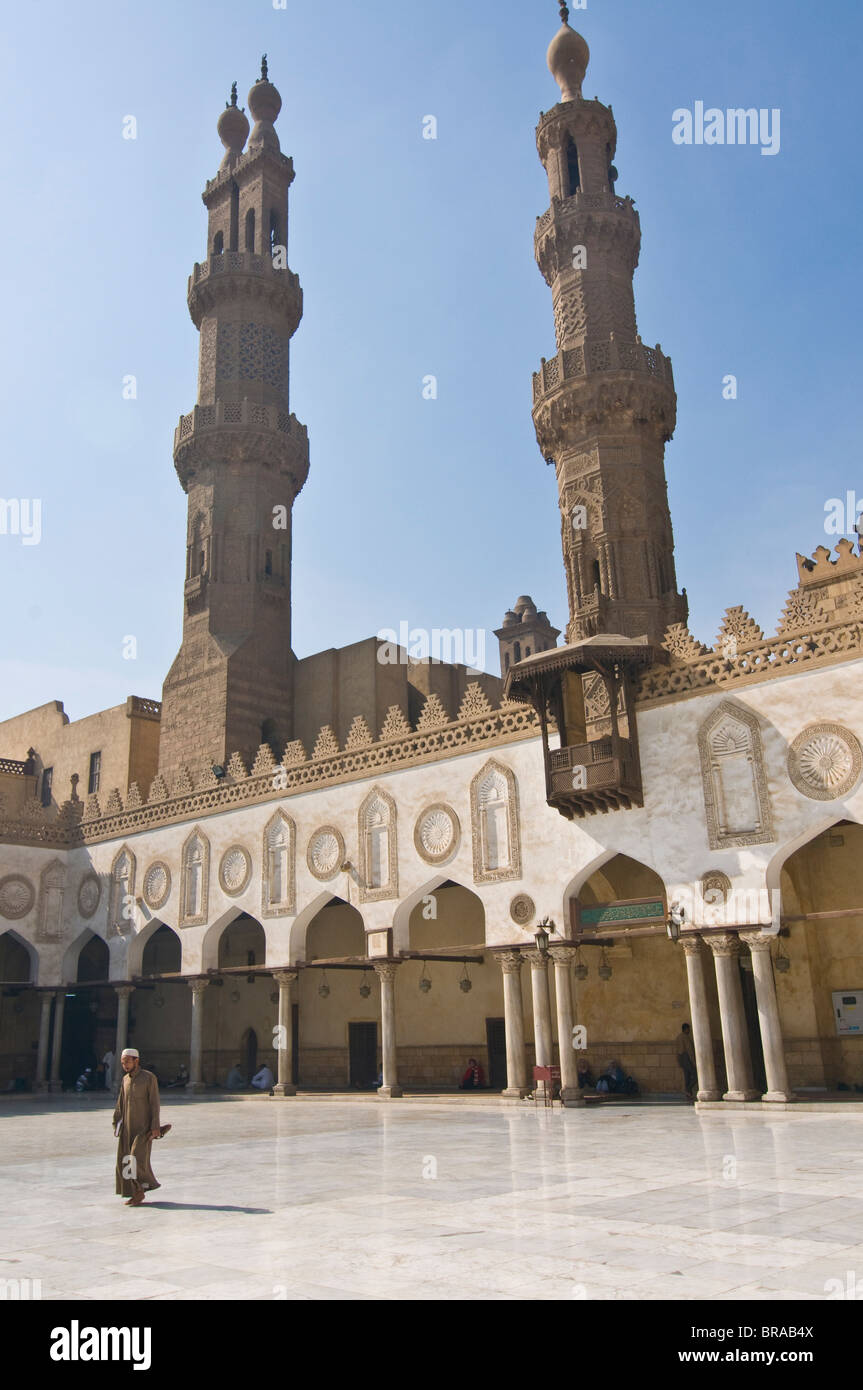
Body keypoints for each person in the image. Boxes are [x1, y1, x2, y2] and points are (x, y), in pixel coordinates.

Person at [111, 1048, 168, 1207]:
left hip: (143, 1128)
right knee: (125, 1161)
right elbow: (120, 1105)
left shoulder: (149, 1078)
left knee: (136, 1158)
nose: (125, 1065)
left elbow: (154, 1104)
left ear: (136, 1060)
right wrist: (116, 1123)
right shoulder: (125, 1080)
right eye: (122, 1063)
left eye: (127, 1062)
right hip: (127, 1129)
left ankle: (143, 1187)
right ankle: (136, 1192)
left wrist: (155, 1126)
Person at [676, 1023, 697, 1099]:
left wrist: (679, 1061)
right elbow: (689, 1050)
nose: (689, 1031)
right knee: (696, 1075)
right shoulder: (685, 1037)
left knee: (687, 1076)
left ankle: (688, 1094)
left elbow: (677, 1050)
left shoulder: (678, 1037)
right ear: (686, 1029)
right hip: (686, 1057)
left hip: (681, 1058)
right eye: (688, 1029)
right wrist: (693, 1061)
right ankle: (688, 1089)